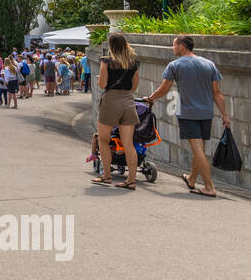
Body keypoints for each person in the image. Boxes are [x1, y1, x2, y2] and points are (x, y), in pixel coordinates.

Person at [145, 35, 230, 197]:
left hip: (188, 113)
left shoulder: (175, 65)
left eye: (174, 45)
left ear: (182, 47)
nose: (172, 48)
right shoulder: (208, 64)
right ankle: (191, 179)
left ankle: (209, 187)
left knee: (197, 149)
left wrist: (150, 98)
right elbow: (217, 93)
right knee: (200, 148)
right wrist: (225, 115)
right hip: (206, 113)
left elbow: (164, 90)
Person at [94, 33, 141, 188]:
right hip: (128, 100)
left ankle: (107, 176)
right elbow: (135, 86)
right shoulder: (133, 63)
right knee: (128, 143)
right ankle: (131, 180)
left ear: (111, 46)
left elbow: (102, 84)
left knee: (103, 140)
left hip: (111, 101)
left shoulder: (106, 62)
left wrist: (98, 78)